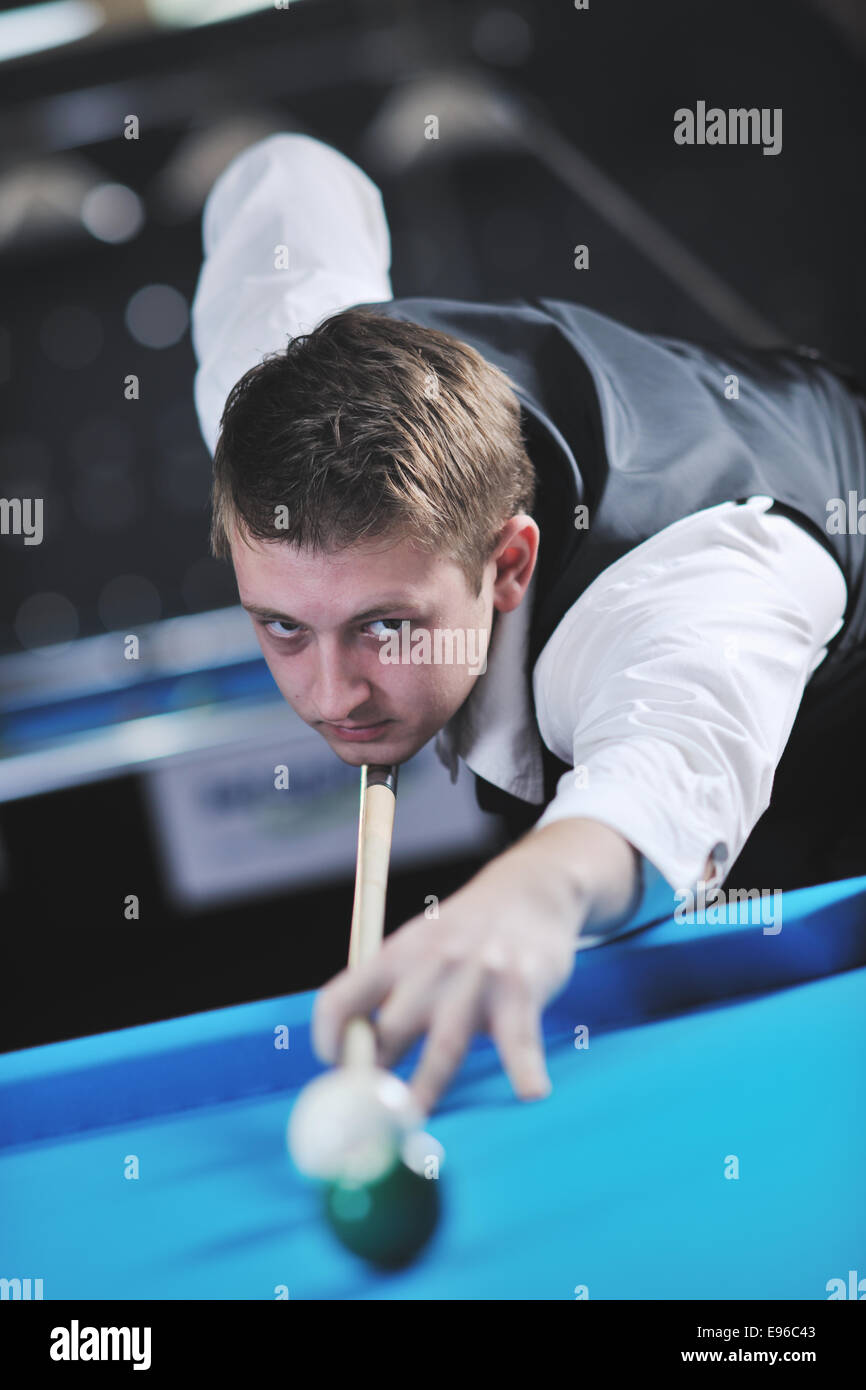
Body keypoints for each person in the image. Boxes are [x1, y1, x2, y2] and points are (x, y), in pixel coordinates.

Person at [191, 133, 866, 1113]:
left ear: (507, 563)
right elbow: (287, 176)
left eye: (385, 626)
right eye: (284, 627)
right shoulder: (271, 407)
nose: (328, 695)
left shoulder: (683, 588)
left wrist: (531, 893)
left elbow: (665, 770)